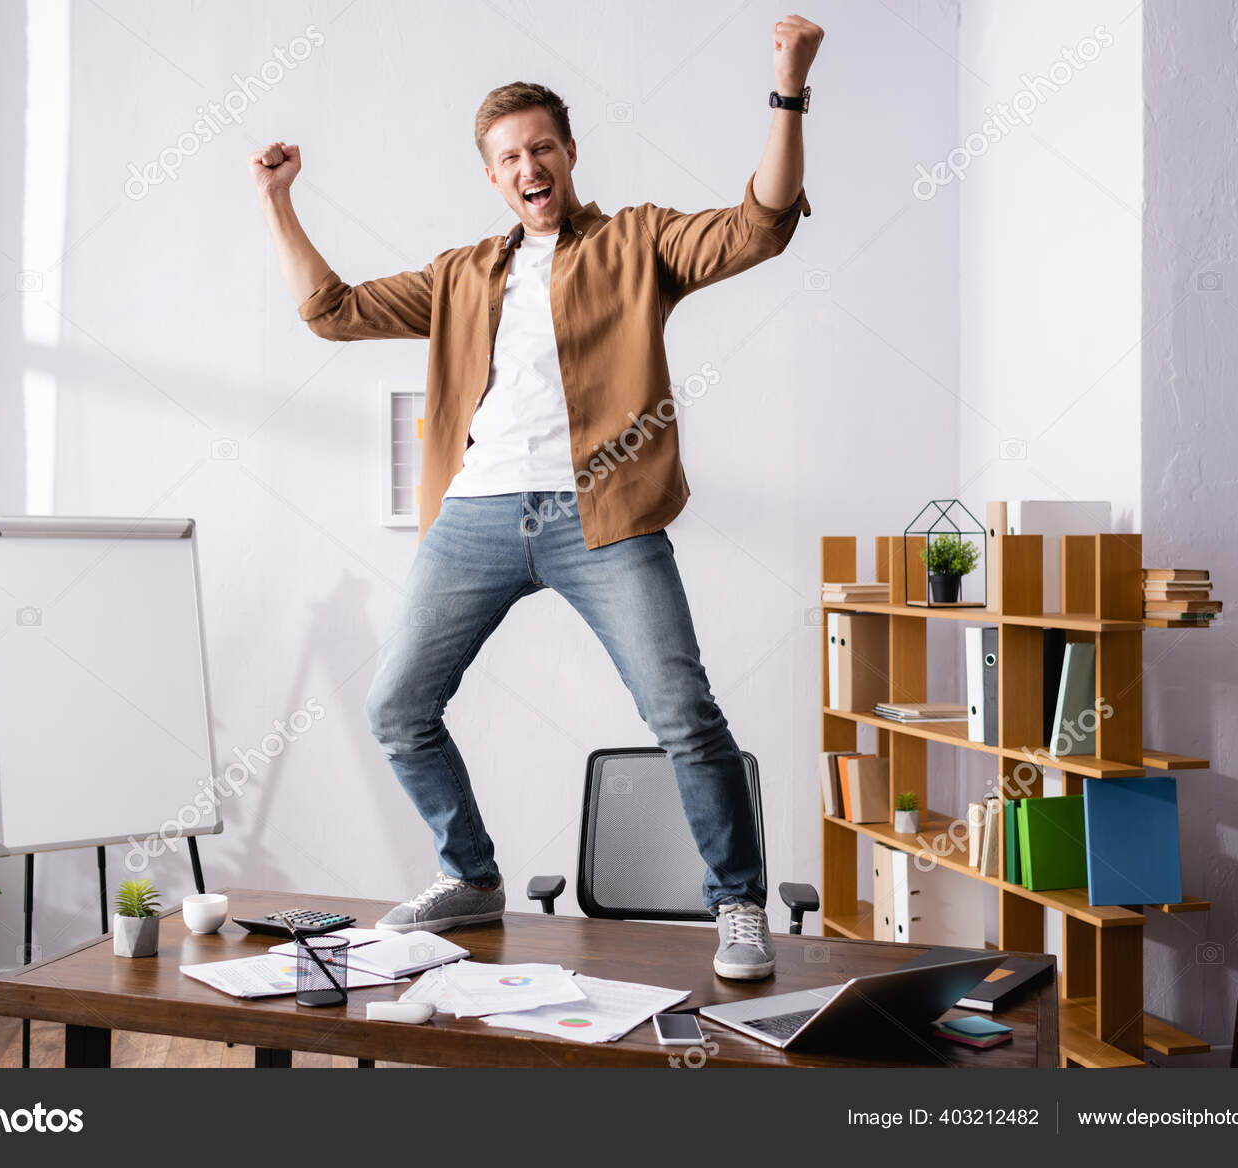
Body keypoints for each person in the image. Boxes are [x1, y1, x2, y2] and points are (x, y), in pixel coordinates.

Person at [250, 16, 823, 979]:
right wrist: (277, 200)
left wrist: (789, 89)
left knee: (683, 714)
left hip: (603, 516)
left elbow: (759, 225)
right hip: (475, 517)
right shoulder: (461, 275)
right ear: (493, 176)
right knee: (397, 707)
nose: (530, 166)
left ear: (569, 153)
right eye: (510, 156)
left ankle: (736, 903)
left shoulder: (637, 241)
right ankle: (470, 877)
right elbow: (331, 312)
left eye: (543, 147)